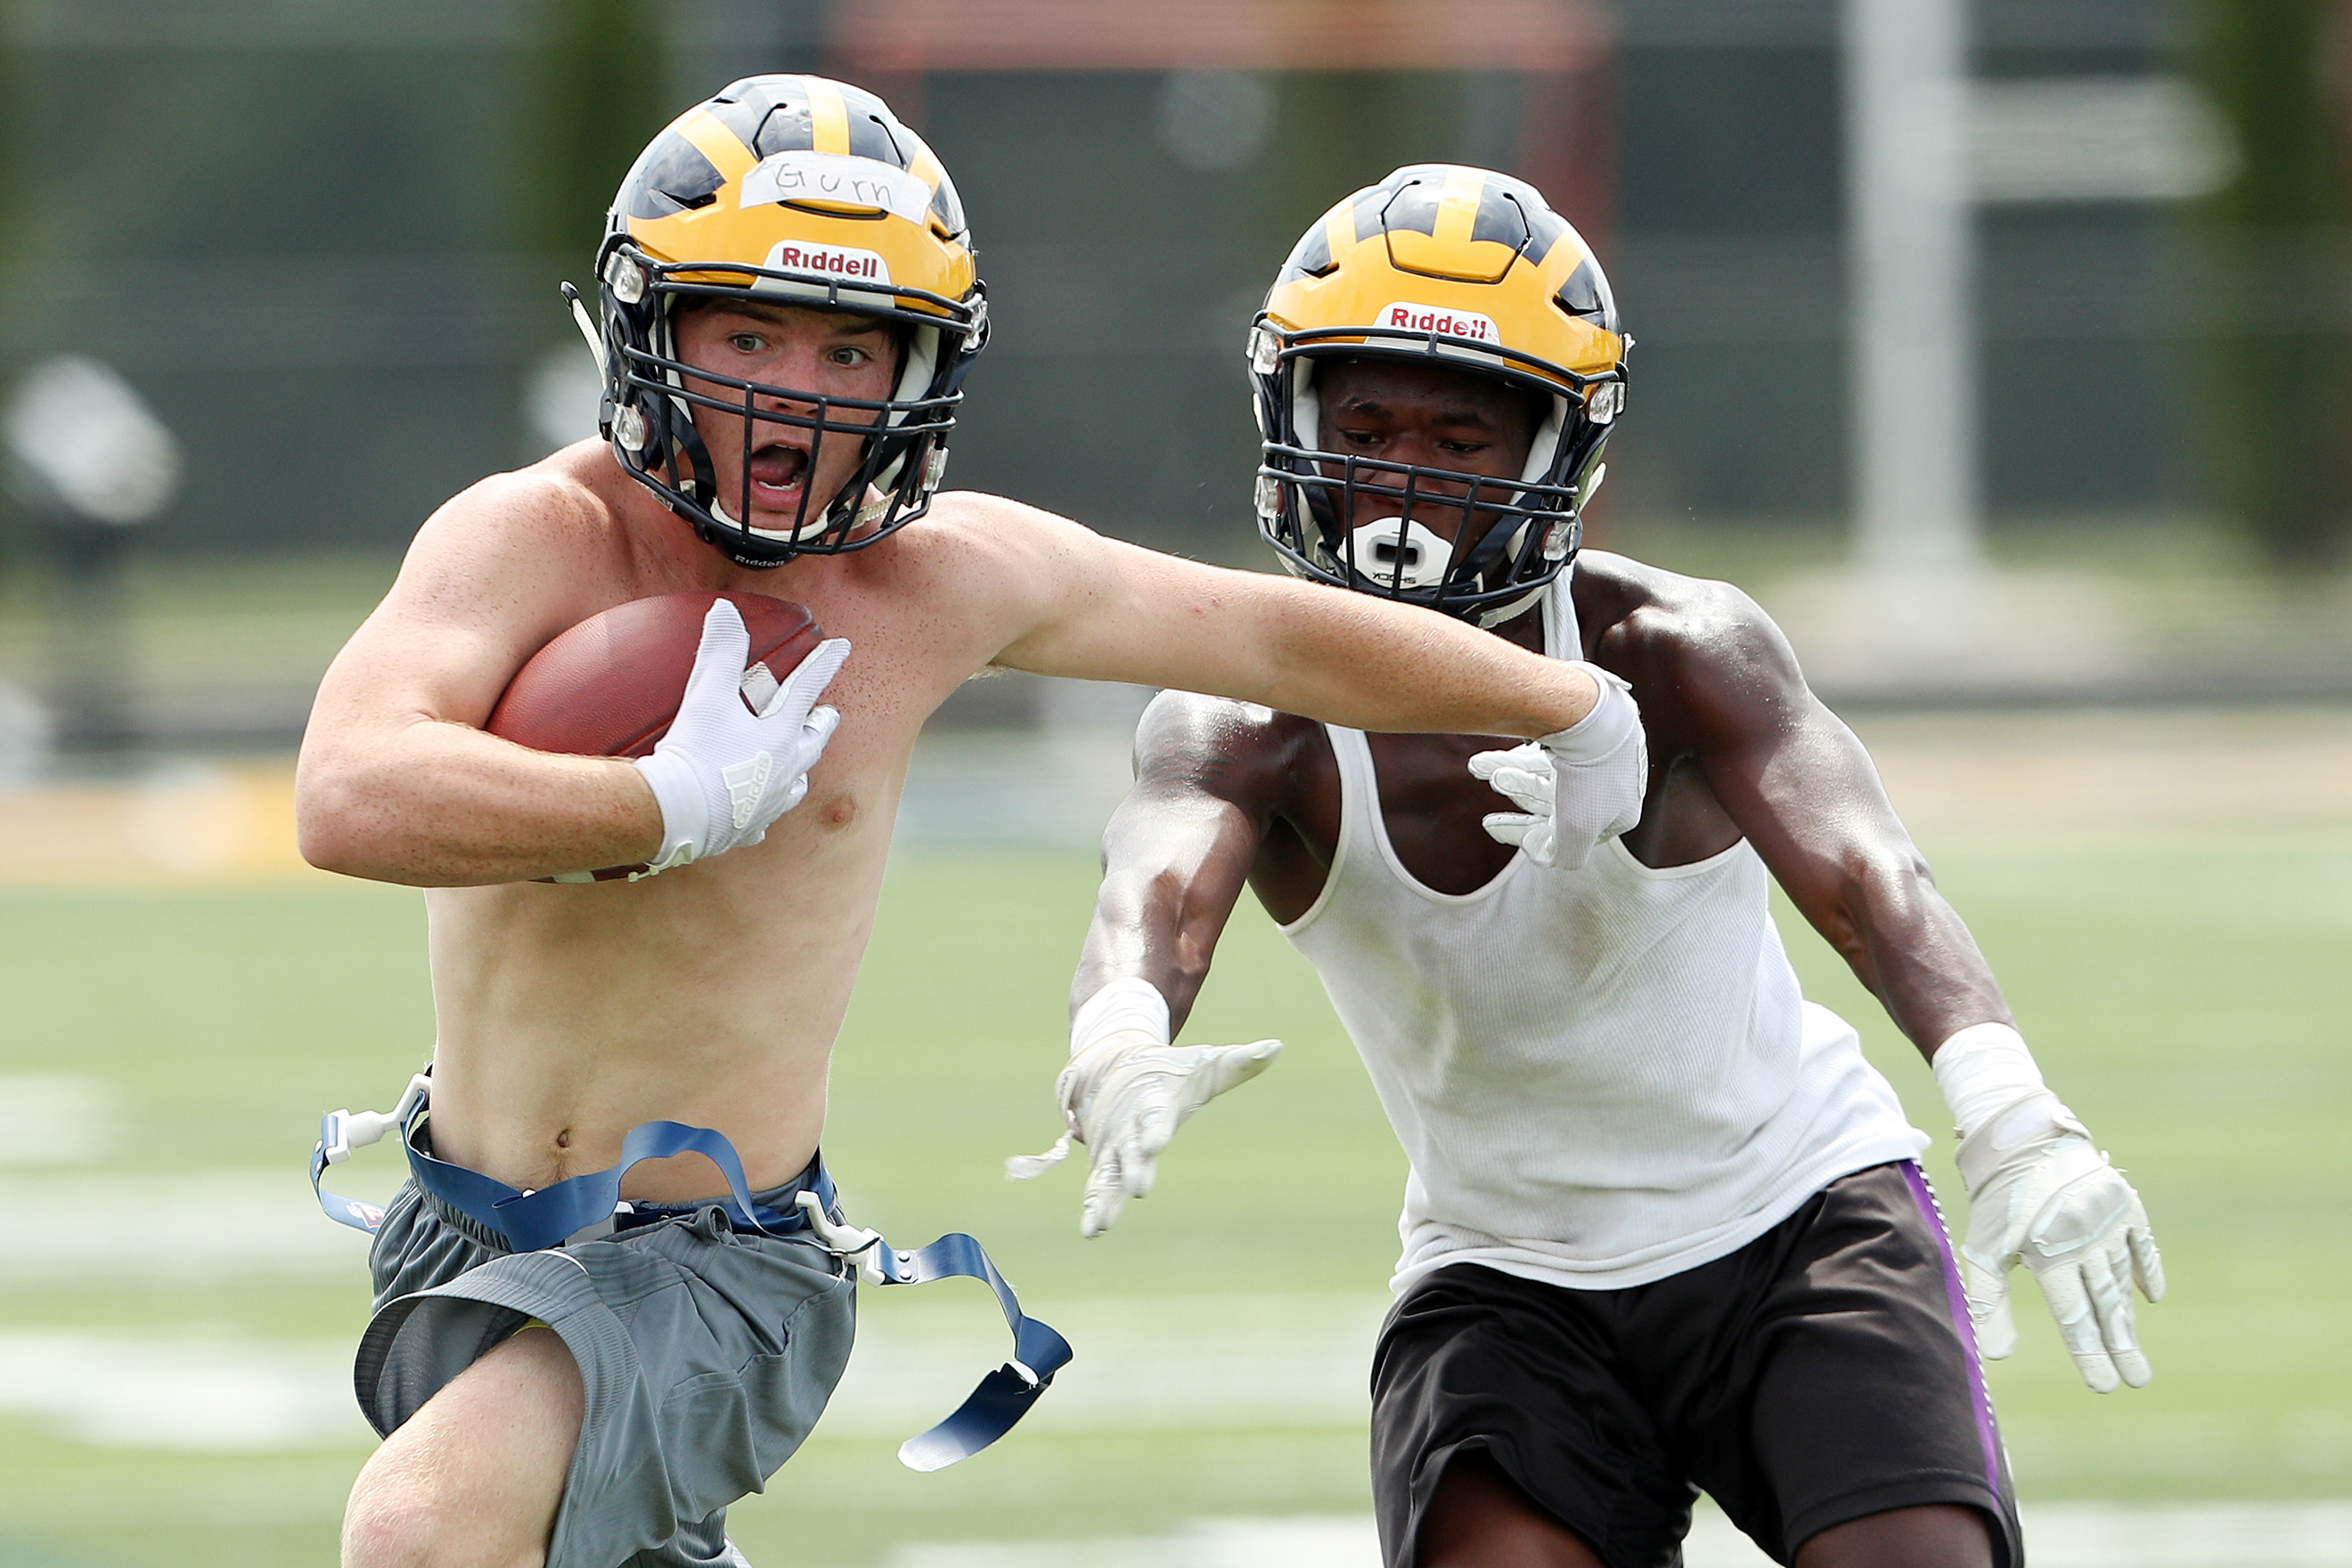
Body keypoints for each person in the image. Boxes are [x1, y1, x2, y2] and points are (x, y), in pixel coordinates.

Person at [296, 83, 1642, 1568]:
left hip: (712, 1266)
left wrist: (1576, 705)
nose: (797, 391)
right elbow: (347, 792)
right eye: (748, 337)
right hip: (463, 1217)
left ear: (921, 367)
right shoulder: (534, 536)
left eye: (850, 349)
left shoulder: (941, 581)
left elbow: (1275, 636)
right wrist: (660, 803)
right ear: (649, 329)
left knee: (418, 1533)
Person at [1013, 165, 2164, 1568]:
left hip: (1795, 1217)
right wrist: (1121, 1036)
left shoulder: (1674, 650)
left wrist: (2011, 1112)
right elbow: (1158, 886)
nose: (1402, 479)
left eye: (1460, 438)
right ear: (1293, 424)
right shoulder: (1248, 717)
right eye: (1364, 429)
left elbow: (1871, 876)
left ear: (1558, 454)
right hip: (1505, 1274)